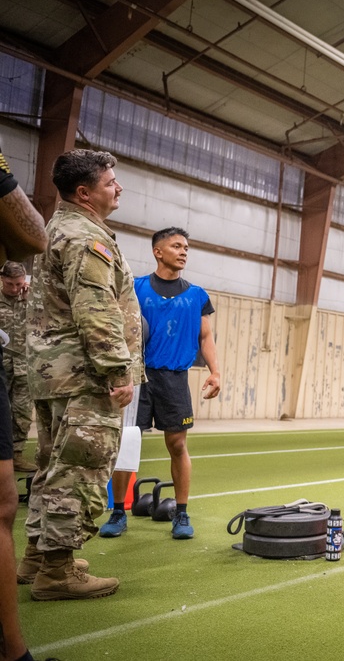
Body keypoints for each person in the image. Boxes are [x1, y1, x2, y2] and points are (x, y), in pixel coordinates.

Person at [17, 149, 143, 602]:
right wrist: (117, 370)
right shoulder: (85, 238)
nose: (118, 187)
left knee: (53, 466)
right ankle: (58, 571)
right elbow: (97, 309)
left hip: (56, 374)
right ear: (85, 193)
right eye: (111, 182)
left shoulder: (59, 229)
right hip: (85, 375)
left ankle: (38, 555)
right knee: (81, 470)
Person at [101, 227, 221, 540]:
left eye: (186, 247)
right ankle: (117, 512)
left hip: (174, 379)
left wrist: (215, 371)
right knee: (126, 443)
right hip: (137, 377)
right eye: (176, 246)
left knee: (177, 445)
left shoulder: (197, 296)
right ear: (158, 251)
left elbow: (205, 337)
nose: (183, 251)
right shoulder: (135, 287)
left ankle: (181, 514)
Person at [0, 145, 47, 661]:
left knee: (17, 435)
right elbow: (33, 233)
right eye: (10, 278)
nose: (16, 284)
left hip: (18, 379)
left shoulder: (27, 301)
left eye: (20, 280)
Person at [0, 262, 36, 472]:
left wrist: (33, 299)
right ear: (2, 280)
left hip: (24, 364)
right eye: (10, 284)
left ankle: (16, 455)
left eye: (19, 284)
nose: (15, 289)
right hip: (2, 364)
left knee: (22, 412)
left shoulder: (30, 297)